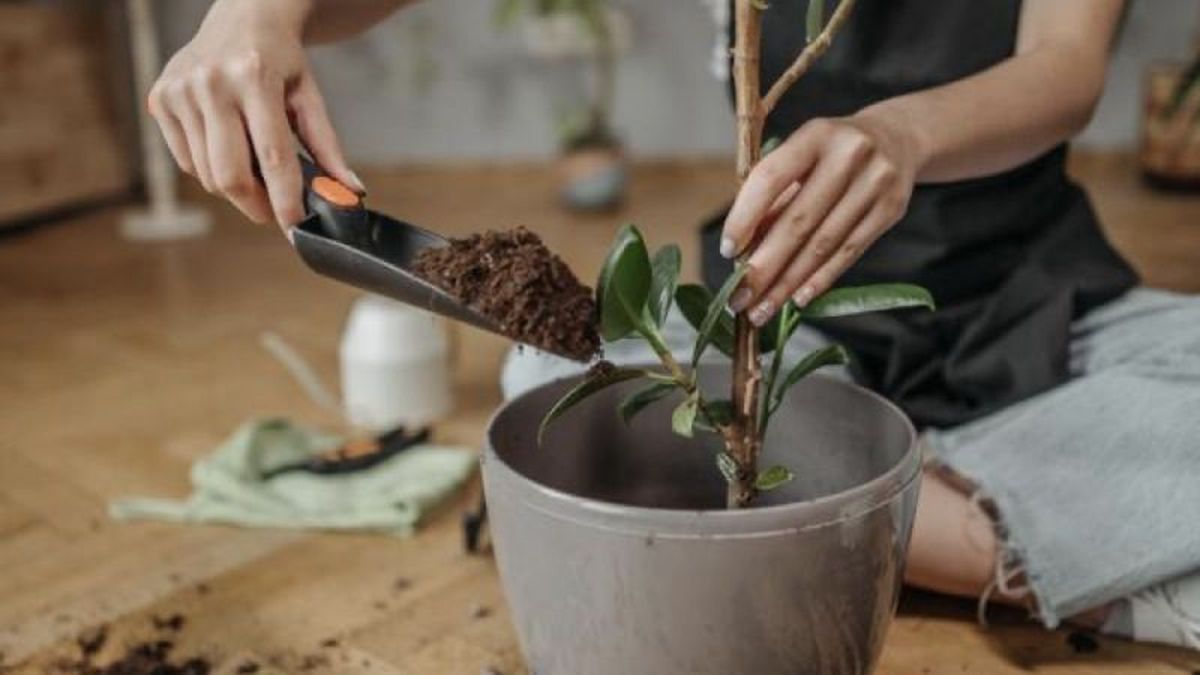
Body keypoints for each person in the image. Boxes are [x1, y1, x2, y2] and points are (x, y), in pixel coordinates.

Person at [151, 0, 1200, 650]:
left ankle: (812, 519)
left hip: (1038, 302)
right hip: (771, 328)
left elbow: (1066, 66)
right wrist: (261, 13)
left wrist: (903, 135)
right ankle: (1060, 551)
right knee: (552, 391)